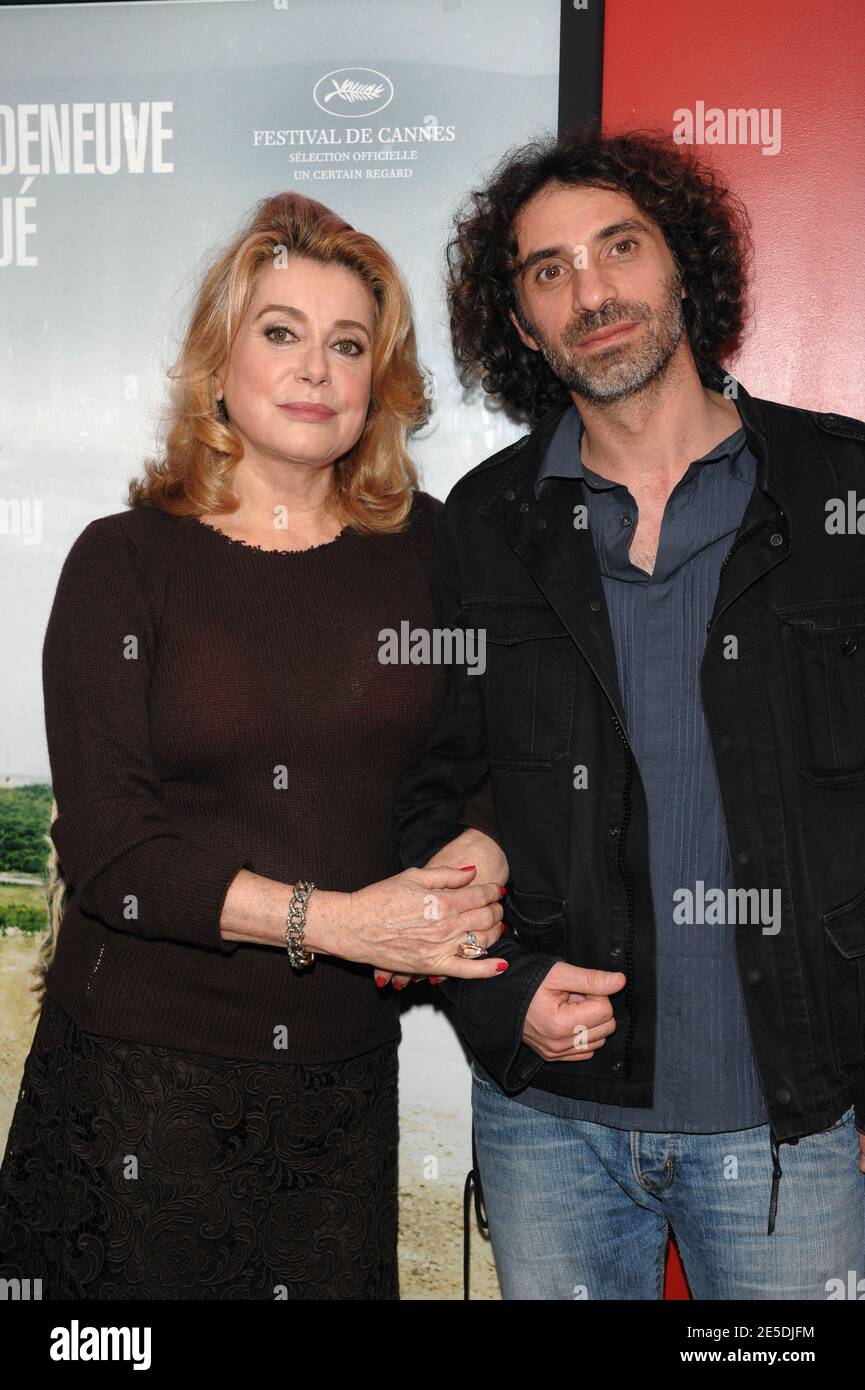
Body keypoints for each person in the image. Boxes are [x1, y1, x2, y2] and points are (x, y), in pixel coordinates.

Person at [0, 191, 510, 1301]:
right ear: (218, 362)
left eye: (347, 343)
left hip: (338, 1087)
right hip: (137, 1086)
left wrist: (482, 856)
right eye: (280, 332)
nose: (315, 369)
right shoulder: (125, 561)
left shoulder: (436, 551)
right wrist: (336, 921)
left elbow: (484, 766)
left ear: (380, 378)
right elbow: (111, 848)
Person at [395, 127, 865, 1299]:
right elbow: (434, 792)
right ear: (519, 323)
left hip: (787, 1127)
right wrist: (494, 988)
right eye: (547, 270)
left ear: (681, 268)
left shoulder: (839, 490)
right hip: (547, 1125)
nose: (590, 290)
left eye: (619, 247)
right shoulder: (486, 522)